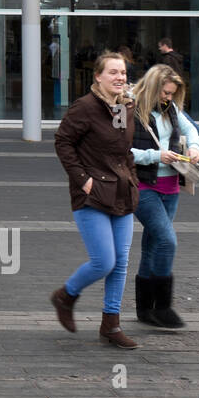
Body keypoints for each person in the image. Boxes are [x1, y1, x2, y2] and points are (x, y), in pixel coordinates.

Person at [51, 52, 142, 349]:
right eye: (113, 72)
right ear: (98, 77)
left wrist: (133, 177)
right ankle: (66, 295)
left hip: (122, 192)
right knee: (104, 261)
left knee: (121, 263)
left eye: (123, 73)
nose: (120, 78)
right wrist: (82, 179)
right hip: (92, 194)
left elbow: (124, 149)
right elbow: (63, 142)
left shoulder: (127, 106)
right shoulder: (85, 108)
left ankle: (111, 324)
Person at [130, 64, 199, 329]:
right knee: (167, 241)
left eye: (172, 94)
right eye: (165, 93)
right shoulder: (130, 109)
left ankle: (144, 309)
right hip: (143, 184)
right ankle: (162, 307)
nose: (169, 98)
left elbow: (192, 130)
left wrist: (194, 147)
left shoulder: (171, 109)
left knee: (152, 244)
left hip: (170, 184)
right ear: (152, 87)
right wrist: (155, 156)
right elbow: (121, 151)